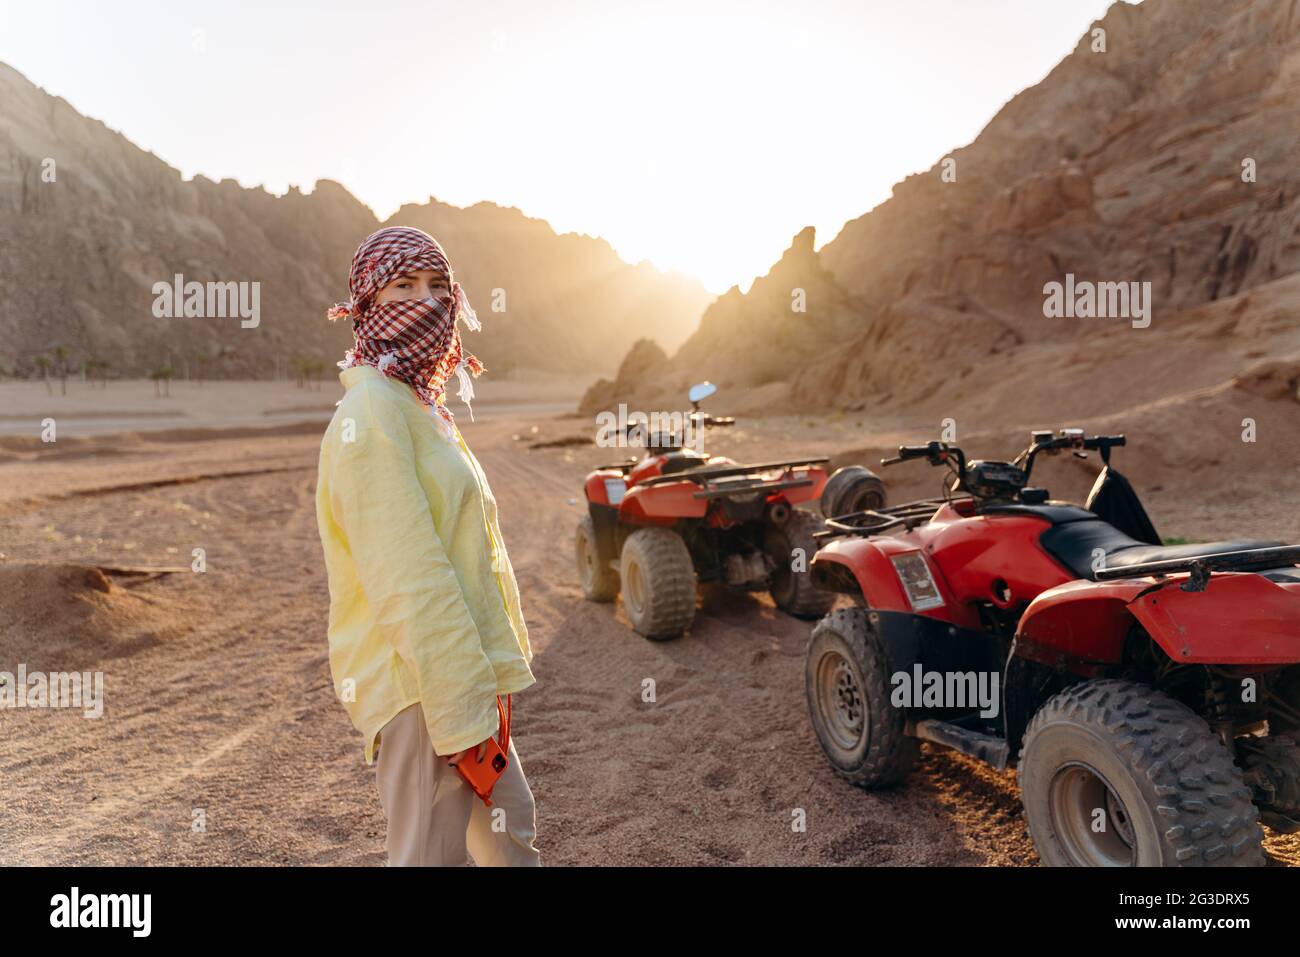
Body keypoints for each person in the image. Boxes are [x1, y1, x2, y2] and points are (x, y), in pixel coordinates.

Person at [314, 225, 540, 866]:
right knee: (430, 858)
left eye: (440, 286)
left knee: (508, 833)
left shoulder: (420, 409)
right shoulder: (372, 415)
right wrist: (460, 713)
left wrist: (477, 689)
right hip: (419, 686)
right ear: (366, 304)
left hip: (460, 673)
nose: (428, 301)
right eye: (404, 286)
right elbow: (406, 575)